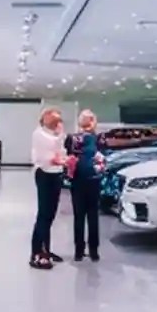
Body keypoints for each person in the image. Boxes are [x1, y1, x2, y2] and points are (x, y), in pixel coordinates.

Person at [29, 109, 66, 270]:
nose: (57, 121)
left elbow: (60, 152)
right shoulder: (39, 134)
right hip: (44, 173)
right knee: (44, 215)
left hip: (55, 174)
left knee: (50, 215)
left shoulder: (53, 135)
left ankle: (46, 249)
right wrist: (60, 136)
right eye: (54, 119)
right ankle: (37, 253)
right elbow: (50, 150)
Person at [67, 109, 106, 262]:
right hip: (94, 179)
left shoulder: (72, 138)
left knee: (78, 216)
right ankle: (94, 250)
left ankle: (78, 250)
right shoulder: (99, 139)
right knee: (93, 215)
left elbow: (69, 157)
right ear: (93, 121)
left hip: (77, 180)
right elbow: (103, 157)